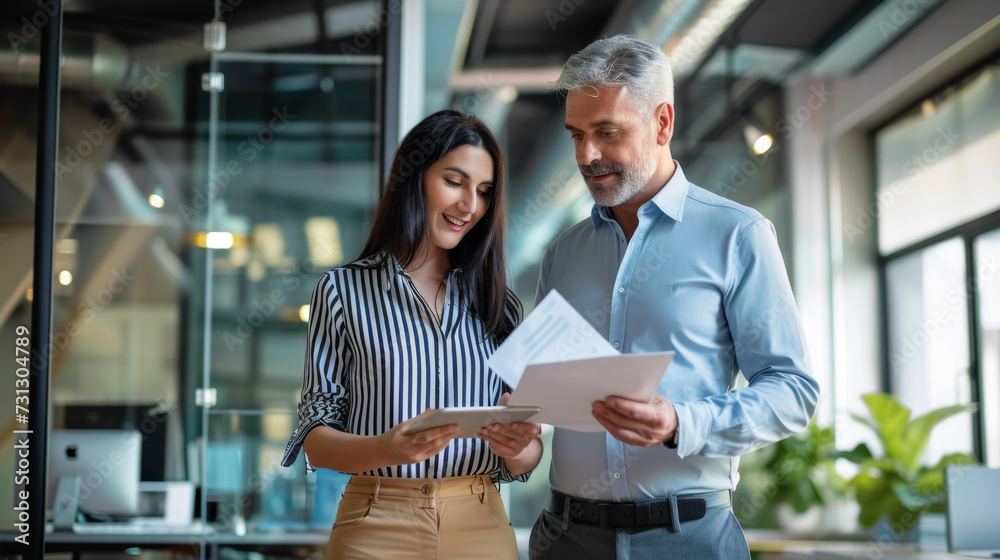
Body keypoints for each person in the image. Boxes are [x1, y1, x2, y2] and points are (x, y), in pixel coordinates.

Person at [528, 35, 820, 559]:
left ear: (663, 123)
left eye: (607, 133)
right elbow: (546, 395)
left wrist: (683, 424)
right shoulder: (562, 255)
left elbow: (793, 391)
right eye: (576, 135)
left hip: (689, 539)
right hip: (567, 537)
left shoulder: (738, 235)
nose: (586, 156)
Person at [282, 110, 543, 560]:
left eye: (483, 192)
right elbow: (314, 437)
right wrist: (389, 447)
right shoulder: (342, 291)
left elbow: (528, 453)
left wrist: (520, 447)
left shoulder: (500, 305)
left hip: (480, 520)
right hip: (376, 519)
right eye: (455, 182)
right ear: (414, 177)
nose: (470, 206)